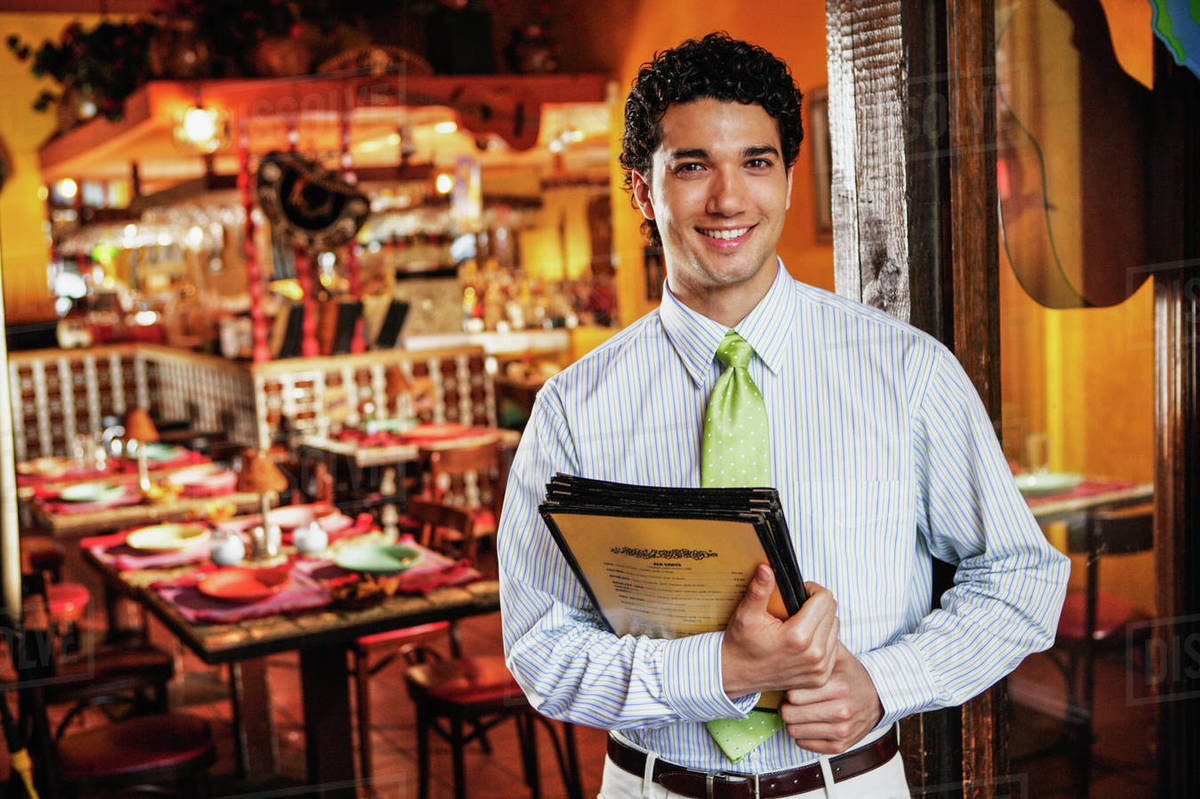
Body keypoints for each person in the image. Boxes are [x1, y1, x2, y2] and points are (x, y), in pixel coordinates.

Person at [497, 32, 1069, 799]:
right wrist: (723, 671)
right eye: (692, 165)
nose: (728, 198)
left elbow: (1021, 577)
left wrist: (884, 682)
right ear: (642, 189)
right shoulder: (573, 408)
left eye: (756, 162)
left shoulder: (906, 372)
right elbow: (540, 645)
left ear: (792, 180)